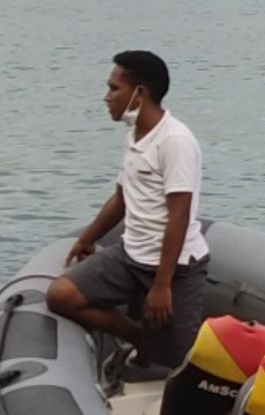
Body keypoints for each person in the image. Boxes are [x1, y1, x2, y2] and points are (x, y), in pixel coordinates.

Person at [46, 51, 209, 371]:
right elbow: (121, 198)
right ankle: (137, 335)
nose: (106, 97)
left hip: (175, 269)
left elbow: (180, 214)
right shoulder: (136, 135)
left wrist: (162, 285)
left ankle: (159, 343)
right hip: (130, 256)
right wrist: (87, 238)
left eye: (113, 88)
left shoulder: (175, 141)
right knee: (61, 296)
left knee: (176, 364)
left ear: (140, 93)